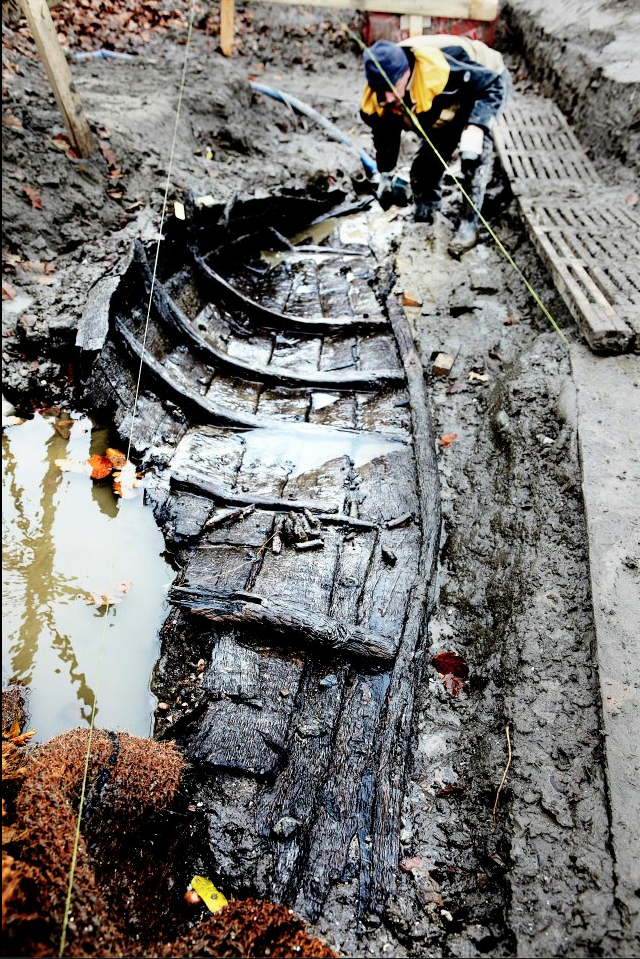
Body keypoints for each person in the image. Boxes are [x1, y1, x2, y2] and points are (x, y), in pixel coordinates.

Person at [360, 34, 511, 255]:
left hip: (482, 85)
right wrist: (386, 172)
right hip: (439, 100)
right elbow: (385, 132)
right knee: (425, 165)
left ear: (406, 72)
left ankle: (469, 224)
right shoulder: (381, 94)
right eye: (380, 91)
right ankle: (428, 213)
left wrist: (476, 127)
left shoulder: (443, 67)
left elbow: (493, 85)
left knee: (473, 155)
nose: (387, 98)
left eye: (391, 88)